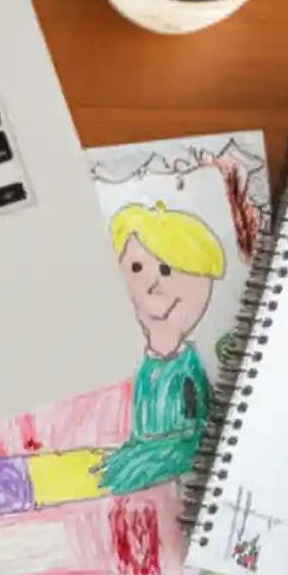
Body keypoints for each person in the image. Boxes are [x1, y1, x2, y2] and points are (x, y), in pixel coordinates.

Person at [98, 201, 226, 495]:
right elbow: (142, 435)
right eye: (136, 267)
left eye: (167, 269)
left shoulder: (185, 370)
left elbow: (195, 438)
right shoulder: (145, 365)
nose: (152, 285)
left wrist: (133, 467)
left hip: (171, 483)